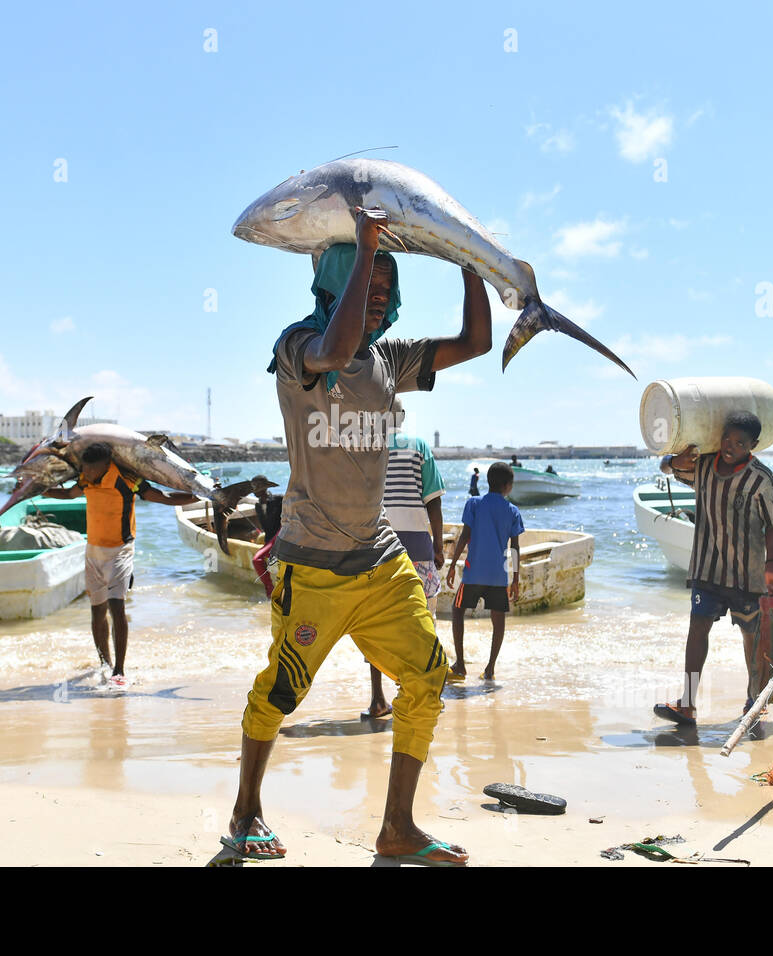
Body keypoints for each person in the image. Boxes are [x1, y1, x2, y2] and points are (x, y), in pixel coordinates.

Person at [229, 208, 489, 866]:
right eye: (363, 285)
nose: (376, 299)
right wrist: (368, 242)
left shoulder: (390, 362)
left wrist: (471, 262)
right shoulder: (297, 350)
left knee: (429, 676)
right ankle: (244, 811)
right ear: (331, 288)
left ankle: (397, 827)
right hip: (312, 570)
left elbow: (477, 342)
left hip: (379, 566)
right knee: (281, 693)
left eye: (384, 290)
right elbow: (335, 351)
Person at [653, 411, 773, 726]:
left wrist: (771, 567)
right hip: (706, 569)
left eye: (739, 442)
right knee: (697, 630)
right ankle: (687, 704)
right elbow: (664, 468)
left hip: (747, 575)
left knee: (751, 635)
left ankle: (754, 701)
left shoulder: (760, 478)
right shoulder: (704, 466)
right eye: (727, 438)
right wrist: (675, 461)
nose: (730, 446)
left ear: (752, 446)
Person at [46, 442, 198, 684]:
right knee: (97, 611)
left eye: (92, 469)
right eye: (84, 469)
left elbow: (162, 497)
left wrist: (198, 496)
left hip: (121, 550)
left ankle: (119, 669)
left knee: (117, 607)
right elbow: (67, 494)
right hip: (93, 550)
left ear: (106, 464)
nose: (87, 474)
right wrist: (39, 491)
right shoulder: (86, 479)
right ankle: (103, 663)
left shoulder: (127, 479)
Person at [368, 399, 445, 718]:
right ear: (401, 417)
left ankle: (377, 699)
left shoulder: (367, 449)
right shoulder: (420, 447)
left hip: (377, 547)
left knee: (374, 624)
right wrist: (438, 545)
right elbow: (433, 502)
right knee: (424, 620)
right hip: (416, 545)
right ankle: (423, 691)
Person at [446, 461, 523, 682]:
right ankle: (490, 669)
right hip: (498, 577)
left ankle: (460, 665)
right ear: (508, 486)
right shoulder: (513, 511)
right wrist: (515, 578)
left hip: (473, 574)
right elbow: (515, 547)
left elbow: (464, 536)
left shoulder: (474, 504)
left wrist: (452, 565)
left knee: (457, 610)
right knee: (498, 621)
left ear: (489, 482)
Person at [252, 494, 284, 598]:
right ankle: (269, 587)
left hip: (281, 536)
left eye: (257, 485)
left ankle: (270, 589)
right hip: (269, 539)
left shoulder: (279, 499)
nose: (255, 490)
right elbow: (264, 525)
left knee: (257, 559)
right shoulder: (258, 505)